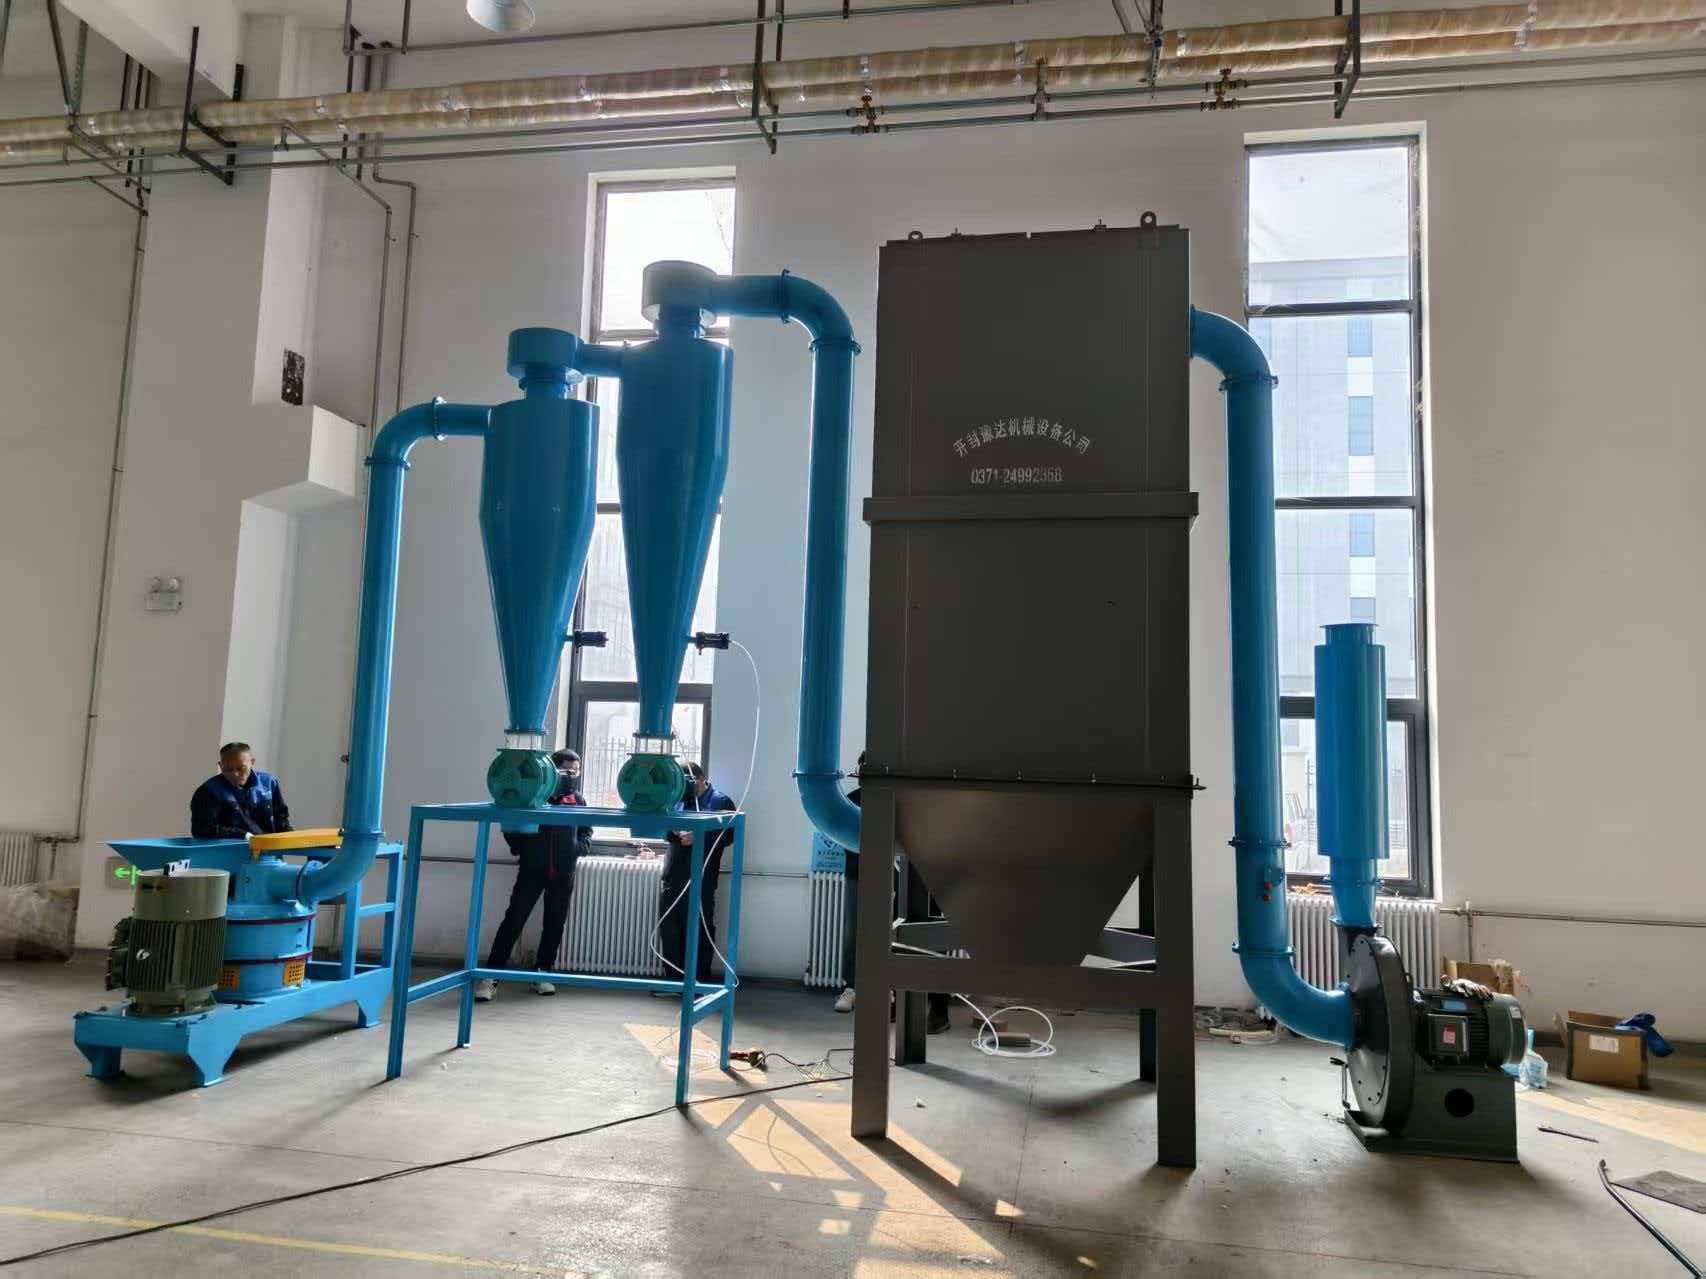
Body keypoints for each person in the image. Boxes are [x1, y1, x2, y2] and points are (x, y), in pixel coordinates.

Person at [836, 754, 951, 1034]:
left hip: (921, 876)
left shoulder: (913, 803)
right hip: (887, 879)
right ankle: (896, 1002)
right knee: (895, 942)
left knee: (927, 940)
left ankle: (938, 1008)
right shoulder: (852, 803)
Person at [475, 749, 592, 1001]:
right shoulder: (534, 795)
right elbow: (512, 827)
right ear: (553, 771)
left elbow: (586, 831)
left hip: (563, 872)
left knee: (554, 923)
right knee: (514, 920)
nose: (572, 776)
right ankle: (490, 977)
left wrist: (578, 849)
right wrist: (523, 851)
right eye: (567, 771)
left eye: (576, 772)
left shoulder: (577, 800)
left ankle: (543, 972)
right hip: (532, 870)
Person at [656, 761, 737, 984]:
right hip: (673, 876)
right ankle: (673, 981)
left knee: (700, 928)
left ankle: (698, 980)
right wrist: (673, 832)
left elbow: (730, 835)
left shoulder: (720, 801)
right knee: (670, 928)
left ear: (699, 779)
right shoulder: (676, 800)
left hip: (702, 878)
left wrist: (699, 836)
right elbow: (663, 830)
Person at [191, 742, 291, 839]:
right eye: (229, 769)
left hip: (269, 848)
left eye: (241, 768)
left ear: (252, 762)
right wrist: (242, 835)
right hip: (232, 849)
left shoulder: (268, 782)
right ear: (221, 765)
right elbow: (201, 829)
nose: (235, 774)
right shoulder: (208, 791)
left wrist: (292, 839)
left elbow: (281, 819)